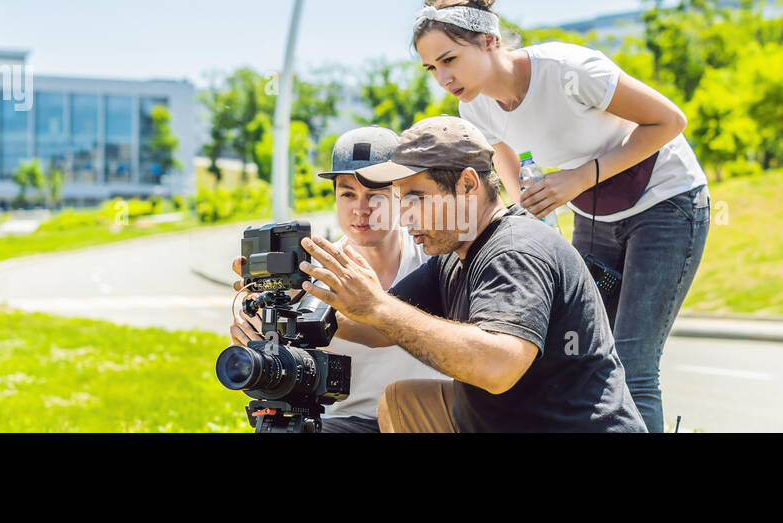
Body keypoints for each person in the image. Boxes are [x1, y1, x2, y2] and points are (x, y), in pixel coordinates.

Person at [411, 0, 711, 432]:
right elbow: (515, 185)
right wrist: (529, 229)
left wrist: (578, 179)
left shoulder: (570, 69)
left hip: (667, 202)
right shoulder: (475, 109)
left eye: (449, 60)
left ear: (489, 40)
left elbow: (669, 121)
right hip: (595, 214)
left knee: (633, 360)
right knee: (582, 353)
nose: (443, 78)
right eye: (431, 69)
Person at [291, 115, 644, 433]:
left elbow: (498, 366)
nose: (405, 215)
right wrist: (288, 300)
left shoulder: (514, 251)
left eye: (416, 197)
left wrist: (380, 308)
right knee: (404, 400)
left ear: (467, 185)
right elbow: (374, 327)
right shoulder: (455, 255)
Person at [230, 126, 445, 433]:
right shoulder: (303, 275)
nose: (361, 209)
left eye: (375, 195)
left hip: (421, 419)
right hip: (340, 422)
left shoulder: (435, 259)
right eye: (348, 194)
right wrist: (256, 334)